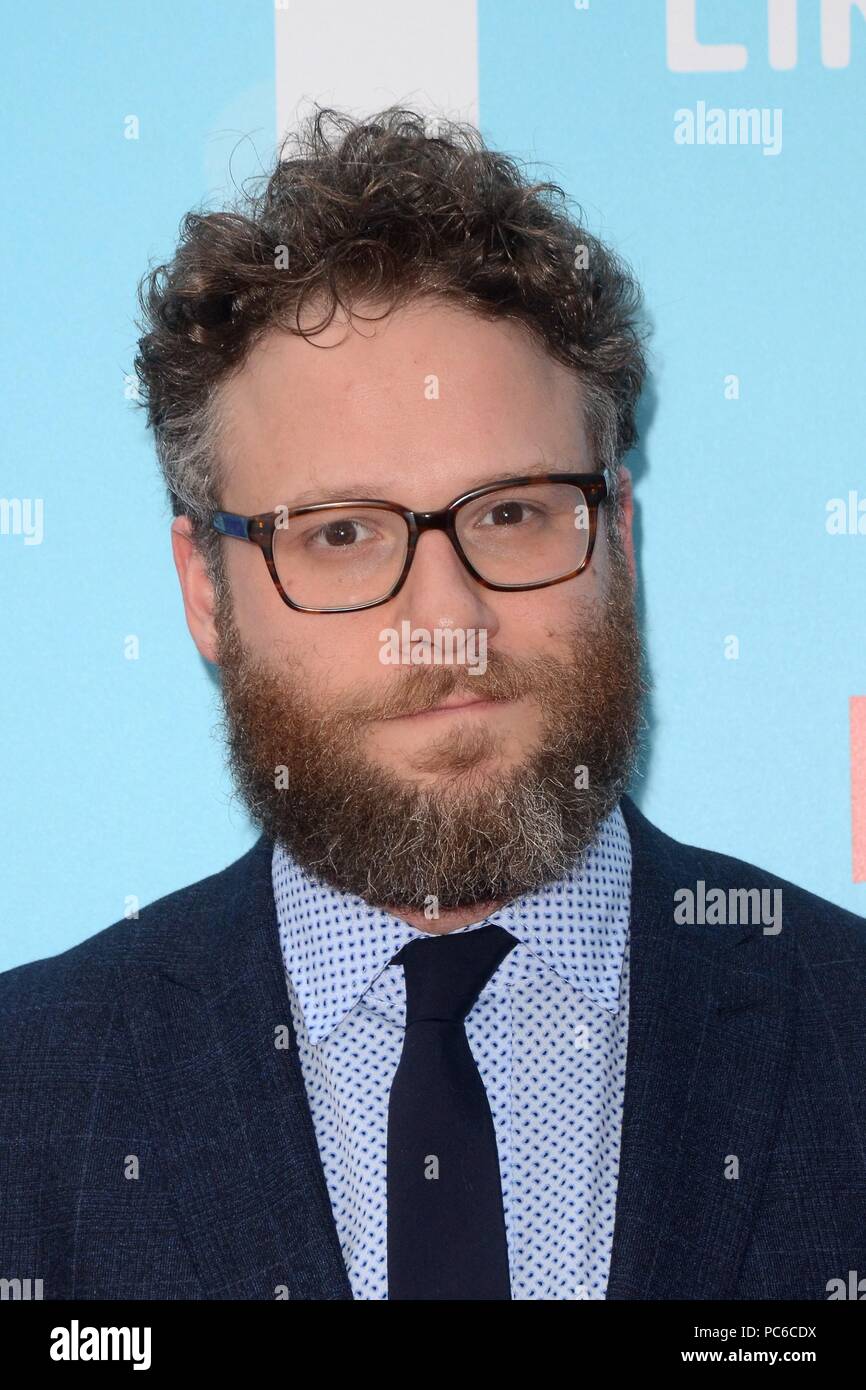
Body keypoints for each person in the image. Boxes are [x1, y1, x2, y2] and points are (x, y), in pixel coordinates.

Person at [1, 106, 864, 1302]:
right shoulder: (28, 1100)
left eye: (510, 511)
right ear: (204, 586)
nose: (443, 618)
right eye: (342, 533)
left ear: (617, 531)